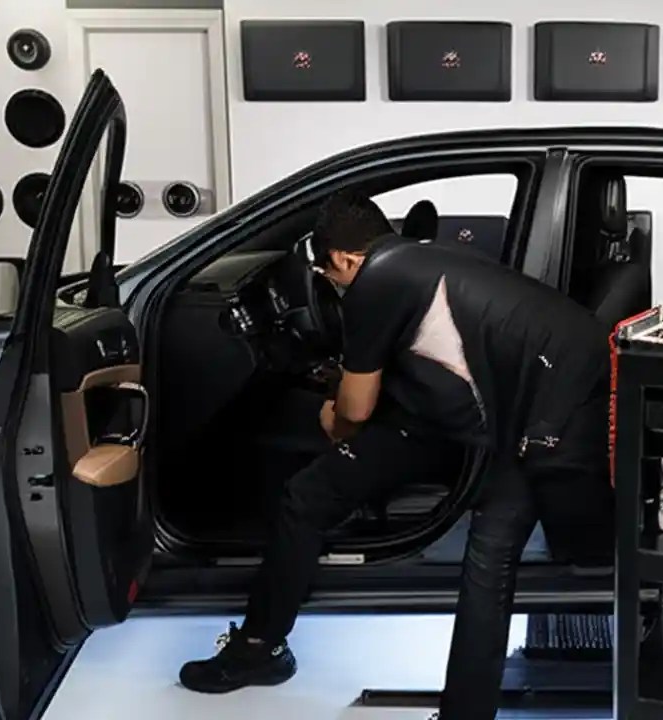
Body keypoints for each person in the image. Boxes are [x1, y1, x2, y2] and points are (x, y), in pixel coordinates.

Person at [179, 190, 615, 719]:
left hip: (538, 421)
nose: (330, 286)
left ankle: (453, 713)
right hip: (481, 409)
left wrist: (331, 416)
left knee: (487, 559)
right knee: (311, 496)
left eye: (327, 274)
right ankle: (261, 650)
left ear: (343, 258)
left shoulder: (374, 282)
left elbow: (354, 414)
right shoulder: (421, 258)